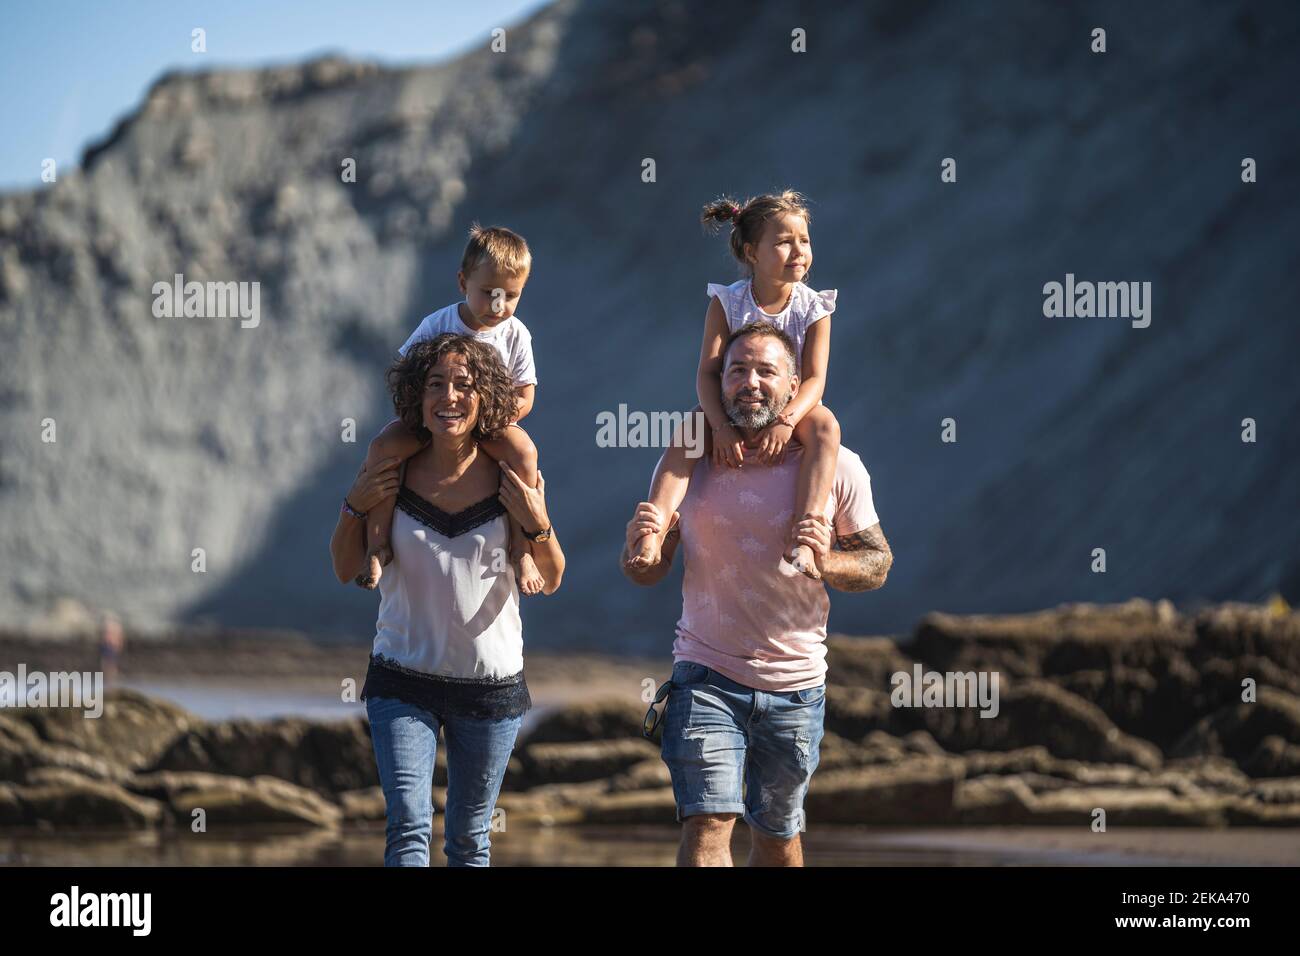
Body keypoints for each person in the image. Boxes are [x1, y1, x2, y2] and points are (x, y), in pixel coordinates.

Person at [621, 321, 892, 867]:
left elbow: (877, 563)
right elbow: (649, 570)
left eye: (767, 371)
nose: (750, 382)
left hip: (795, 685)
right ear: (718, 384)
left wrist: (827, 562)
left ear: (795, 387)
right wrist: (640, 554)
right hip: (704, 674)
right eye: (737, 370)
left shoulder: (836, 467)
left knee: (776, 838)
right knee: (707, 824)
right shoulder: (692, 459)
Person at [330, 332, 564, 866]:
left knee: (468, 839)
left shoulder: (510, 473)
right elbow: (346, 567)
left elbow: (551, 578)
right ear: (418, 395)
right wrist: (353, 507)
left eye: (465, 385)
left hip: (490, 687)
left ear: (486, 399)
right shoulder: (392, 469)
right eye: (436, 384)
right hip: (401, 679)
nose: (450, 397)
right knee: (409, 828)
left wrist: (539, 524)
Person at [626, 190, 839, 580]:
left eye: (804, 240)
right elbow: (708, 374)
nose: (799, 251)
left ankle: (806, 539)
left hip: (790, 409)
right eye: (783, 242)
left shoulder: (814, 308)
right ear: (751, 252)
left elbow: (815, 379)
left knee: (827, 426)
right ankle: (653, 530)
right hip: (733, 407)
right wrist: (721, 427)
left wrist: (787, 421)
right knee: (691, 428)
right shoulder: (728, 302)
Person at [356, 223, 544, 595]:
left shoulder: (516, 334)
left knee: (524, 452)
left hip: (489, 423)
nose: (497, 305)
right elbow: (405, 375)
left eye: (510, 295)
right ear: (463, 282)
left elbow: (526, 393)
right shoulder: (437, 323)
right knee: (382, 447)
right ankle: (377, 547)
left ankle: (523, 551)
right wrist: (422, 415)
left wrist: (500, 418)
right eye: (488, 292)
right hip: (431, 421)